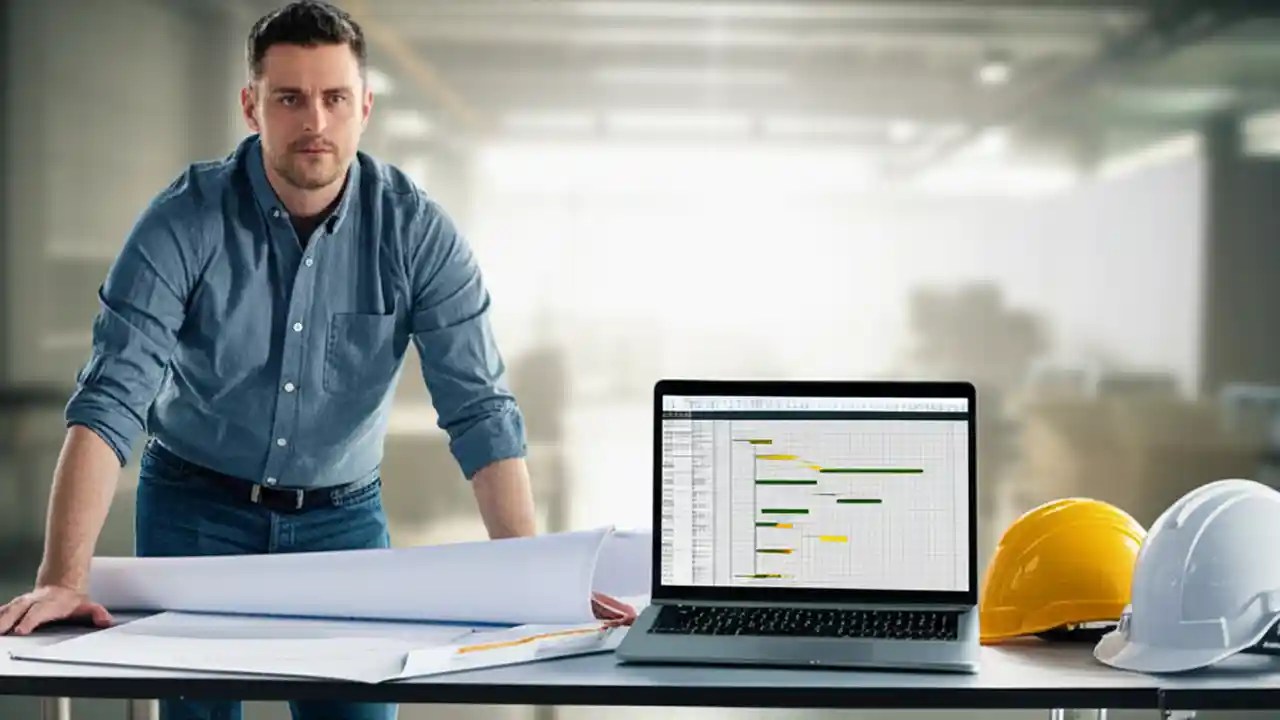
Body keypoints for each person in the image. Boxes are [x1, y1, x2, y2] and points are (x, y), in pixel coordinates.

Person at [0, 2, 634, 718]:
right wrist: (61, 576)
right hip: (194, 514)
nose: (315, 122)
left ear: (364, 108)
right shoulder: (183, 220)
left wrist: (532, 581)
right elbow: (112, 399)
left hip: (343, 526)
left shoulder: (416, 233)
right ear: (251, 106)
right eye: (290, 99)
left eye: (335, 99)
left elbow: (481, 409)